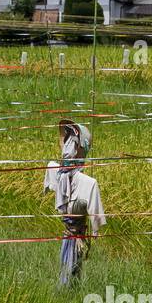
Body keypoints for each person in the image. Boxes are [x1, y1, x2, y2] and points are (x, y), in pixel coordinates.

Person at [43, 120, 104, 286]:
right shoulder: (84, 181)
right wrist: (96, 229)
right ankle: (68, 287)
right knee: (70, 265)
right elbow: (97, 218)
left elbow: (95, 214)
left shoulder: (82, 181)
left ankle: (69, 287)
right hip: (72, 231)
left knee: (72, 264)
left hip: (73, 232)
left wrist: (94, 227)